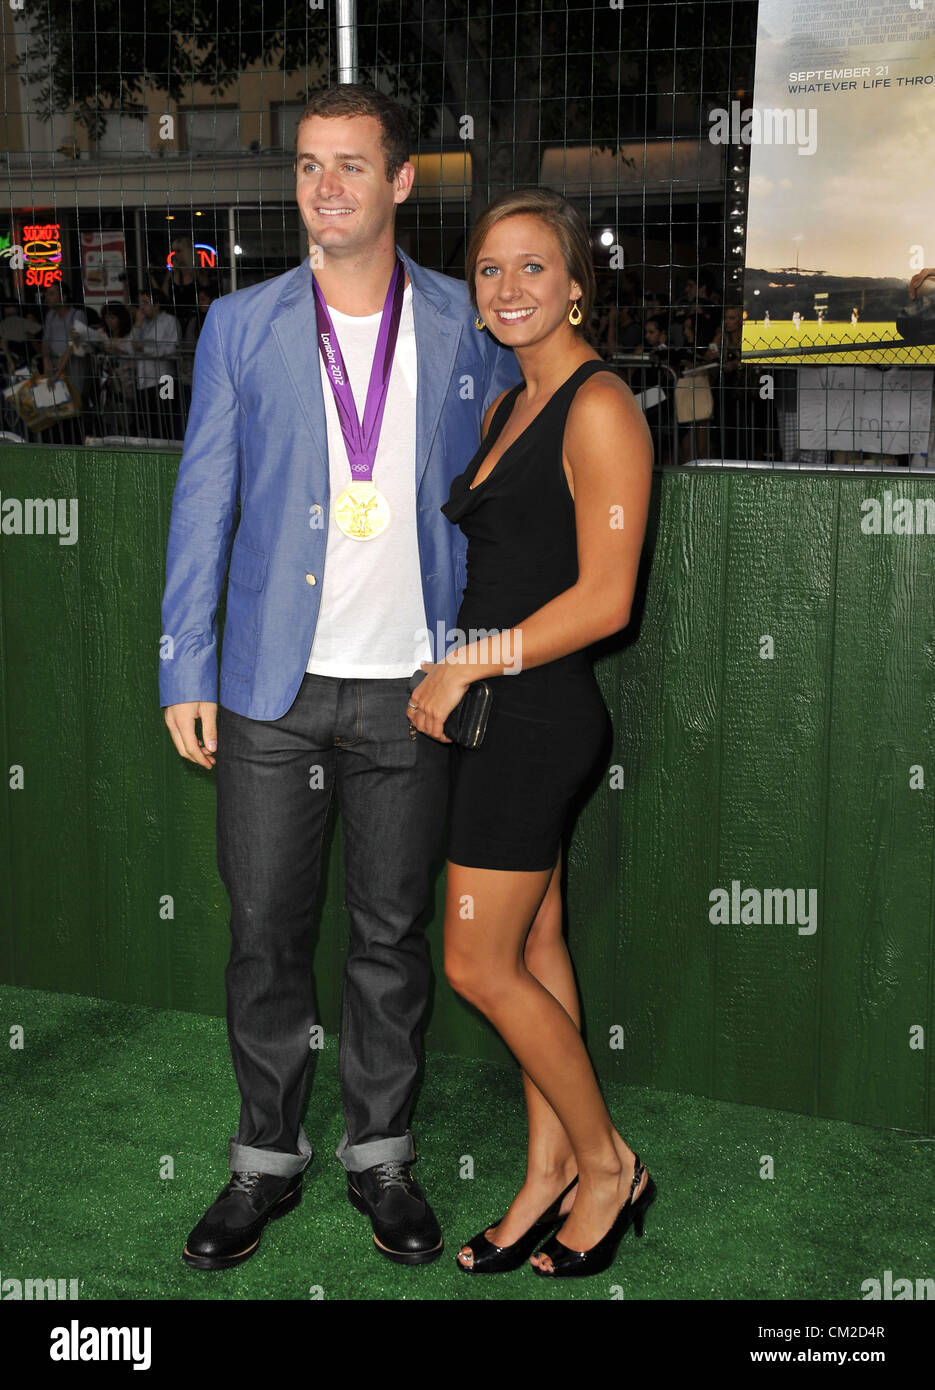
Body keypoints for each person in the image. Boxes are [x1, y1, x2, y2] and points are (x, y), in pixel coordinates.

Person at [159, 82, 520, 1272]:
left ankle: (380, 1155)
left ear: (401, 181)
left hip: (411, 690)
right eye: (309, 165)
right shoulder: (240, 324)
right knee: (264, 931)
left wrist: (474, 655)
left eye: (350, 166)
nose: (324, 187)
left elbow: (509, 502)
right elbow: (202, 503)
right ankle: (263, 1161)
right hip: (269, 685)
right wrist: (184, 665)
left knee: (389, 934)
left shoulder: (471, 320)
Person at [407, 187, 656, 1278]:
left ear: (574, 286)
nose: (507, 289)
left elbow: (605, 602)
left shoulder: (597, 405)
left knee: (473, 960)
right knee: (534, 949)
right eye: (489, 271)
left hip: (533, 717)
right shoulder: (512, 402)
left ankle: (607, 1163)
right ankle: (546, 1168)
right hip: (495, 713)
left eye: (531, 269)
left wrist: (467, 658)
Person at [129, 288, 180, 439]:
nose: (142, 308)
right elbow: (131, 345)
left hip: (165, 378)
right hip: (144, 380)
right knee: (150, 421)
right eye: (141, 304)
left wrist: (145, 349)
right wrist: (137, 325)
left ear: (157, 305)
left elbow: (172, 349)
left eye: (145, 303)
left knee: (166, 418)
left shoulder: (170, 321)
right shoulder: (142, 323)